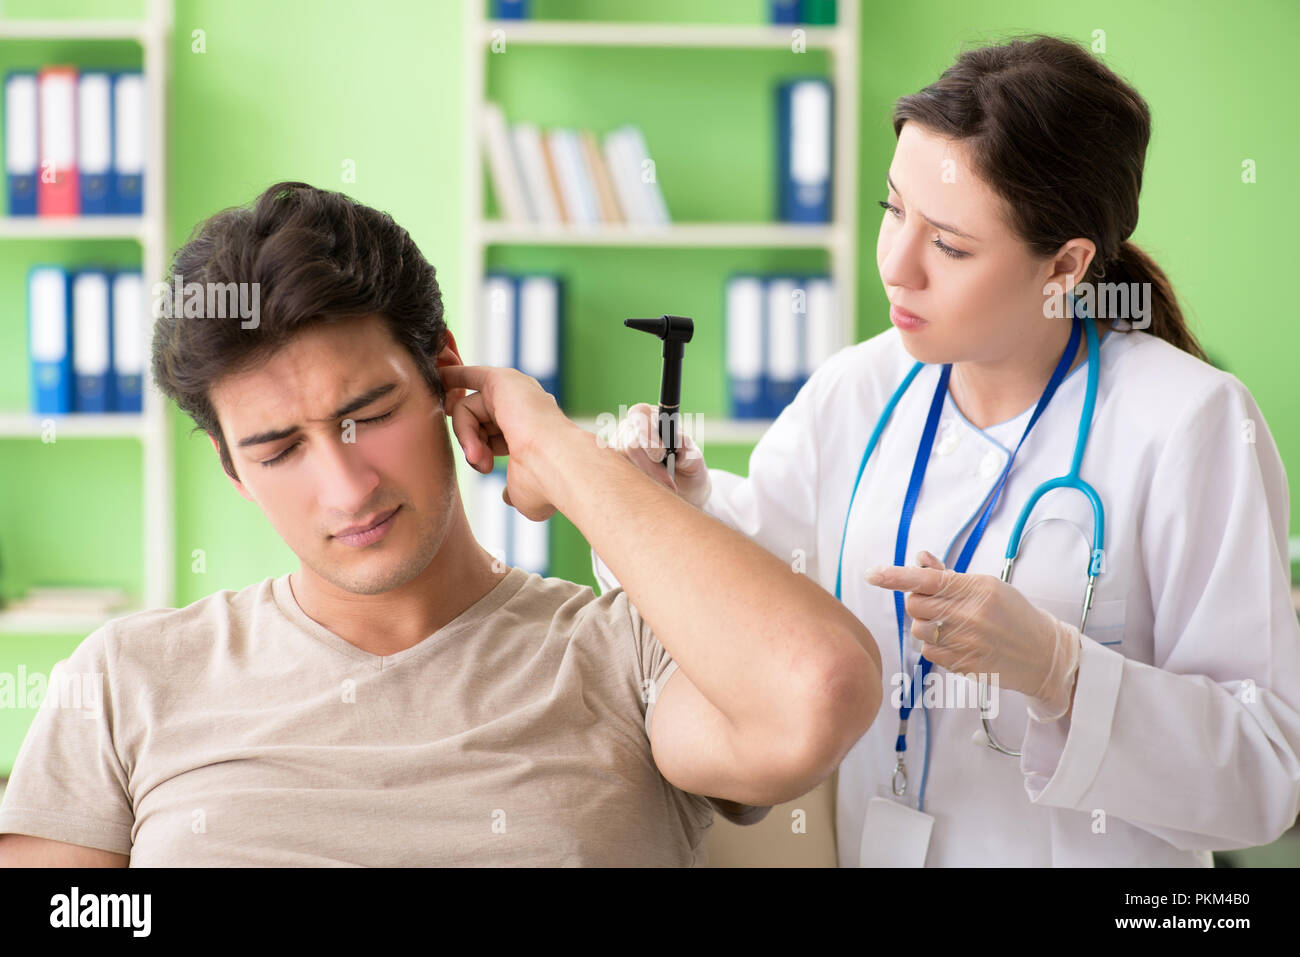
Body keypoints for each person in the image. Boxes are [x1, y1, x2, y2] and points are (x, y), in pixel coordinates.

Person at [0, 181, 882, 867]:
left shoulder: (628, 659)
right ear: (234, 470)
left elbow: (819, 691)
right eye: (278, 450)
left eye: (369, 412)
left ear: (447, 377)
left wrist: (559, 449)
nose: (346, 488)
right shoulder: (129, 679)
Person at [598, 34, 1300, 866]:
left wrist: (1056, 668)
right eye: (894, 210)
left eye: (951, 245)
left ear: (1067, 266)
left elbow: (1268, 776)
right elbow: (762, 603)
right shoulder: (858, 388)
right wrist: (674, 509)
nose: (895, 267)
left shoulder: (1190, 422)